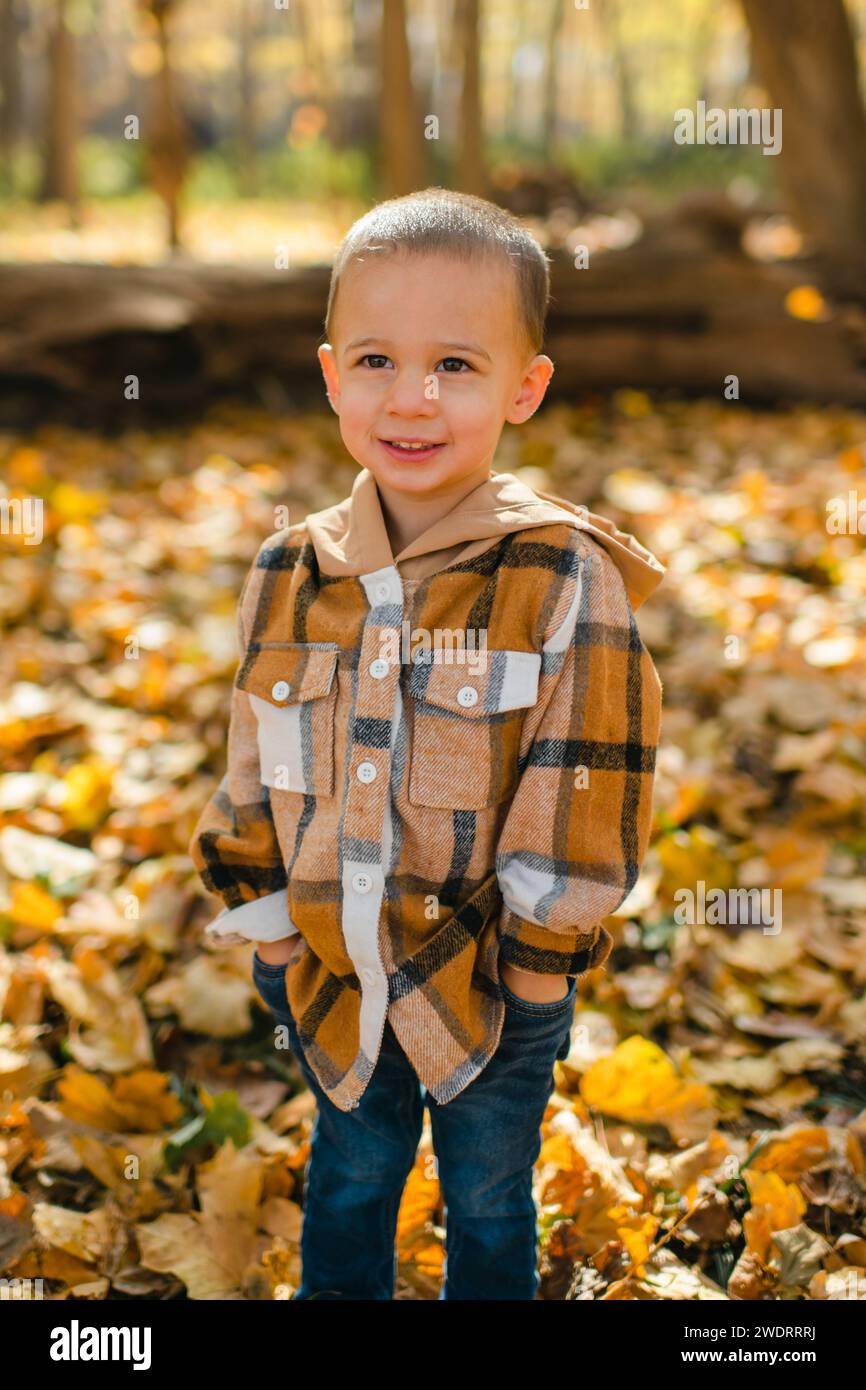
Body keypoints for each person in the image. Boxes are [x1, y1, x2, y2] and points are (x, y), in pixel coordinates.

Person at [188, 187, 665, 1300]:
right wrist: (265, 922)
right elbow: (252, 751)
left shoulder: (558, 572)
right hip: (327, 968)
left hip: (491, 982)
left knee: (489, 1193)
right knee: (349, 1179)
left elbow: (585, 773)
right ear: (327, 374)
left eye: (454, 364)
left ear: (524, 386)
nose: (410, 398)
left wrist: (542, 958)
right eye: (373, 362)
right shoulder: (290, 569)